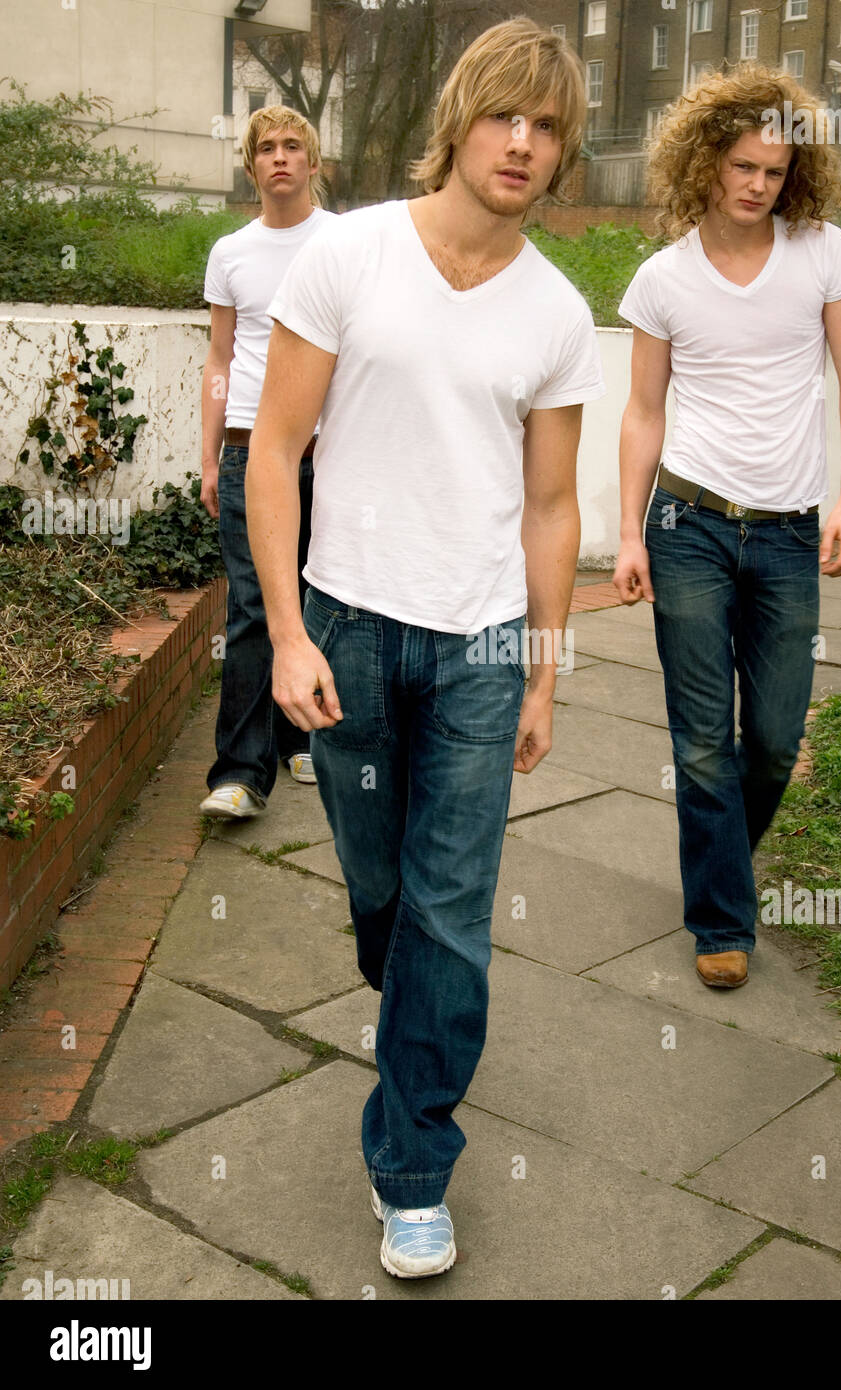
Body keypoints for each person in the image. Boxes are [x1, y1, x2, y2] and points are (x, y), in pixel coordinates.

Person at [245, 19, 604, 1277]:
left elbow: (554, 505)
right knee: (382, 900)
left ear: (561, 153)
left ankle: (410, 1167)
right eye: (505, 114)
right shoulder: (349, 256)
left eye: (547, 125)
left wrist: (546, 667)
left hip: (481, 645)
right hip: (342, 621)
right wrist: (285, 632)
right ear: (459, 120)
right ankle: (402, 999)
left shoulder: (557, 312)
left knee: (449, 914)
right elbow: (274, 447)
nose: (523, 141)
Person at [613, 63, 841, 991]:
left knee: (769, 737)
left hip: (788, 533)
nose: (758, 182)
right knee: (700, 739)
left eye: (774, 168)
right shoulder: (663, 279)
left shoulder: (821, 253)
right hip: (688, 524)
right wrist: (630, 531)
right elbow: (642, 411)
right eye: (742, 164)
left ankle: (718, 856)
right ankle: (722, 917)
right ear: (705, 162)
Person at [198, 105, 336, 819]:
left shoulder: (346, 242)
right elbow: (220, 360)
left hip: (335, 456)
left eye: (293, 146)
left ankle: (305, 734)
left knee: (322, 598)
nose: (279, 157)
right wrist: (208, 456)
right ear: (251, 166)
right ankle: (240, 773)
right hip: (251, 455)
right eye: (266, 149)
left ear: (314, 162)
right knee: (253, 607)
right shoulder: (231, 253)